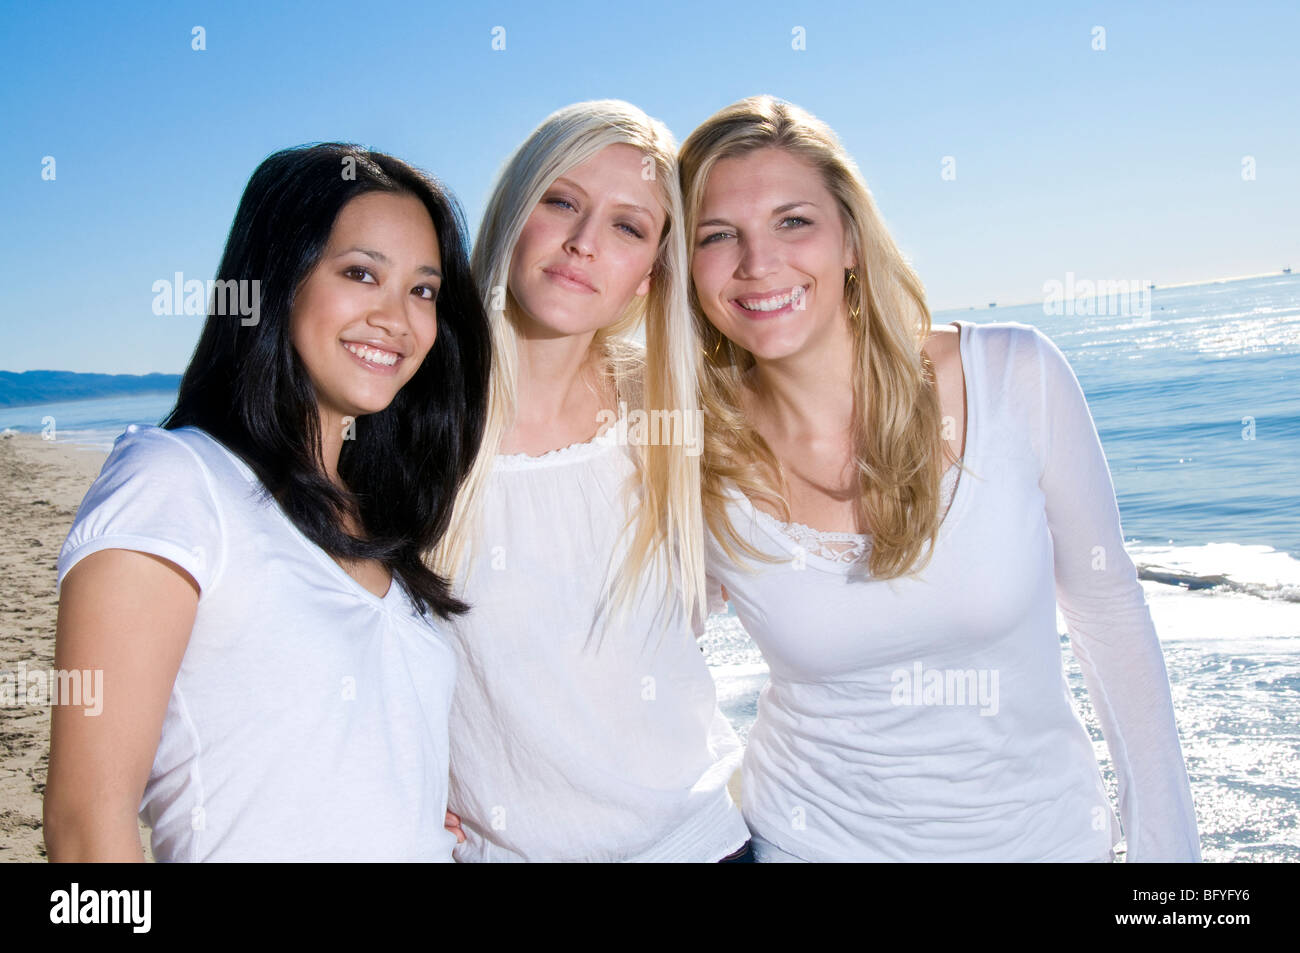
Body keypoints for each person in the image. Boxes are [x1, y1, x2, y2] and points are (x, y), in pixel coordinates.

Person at [679, 95, 1201, 862]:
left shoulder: (1013, 375)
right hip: (800, 843)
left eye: (794, 221)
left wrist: (1171, 865)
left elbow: (1110, 611)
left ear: (851, 238)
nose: (759, 263)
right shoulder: (692, 453)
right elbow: (629, 649)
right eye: (718, 235)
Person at [43, 143, 491, 862]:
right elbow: (83, 831)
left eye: (423, 290)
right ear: (278, 280)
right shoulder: (176, 481)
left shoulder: (381, 521)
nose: (398, 319)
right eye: (360, 273)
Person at [431, 100, 750, 862]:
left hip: (709, 840)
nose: (582, 243)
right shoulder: (413, 426)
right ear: (514, 211)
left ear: (650, 274)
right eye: (562, 201)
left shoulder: (673, 416)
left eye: (628, 227)